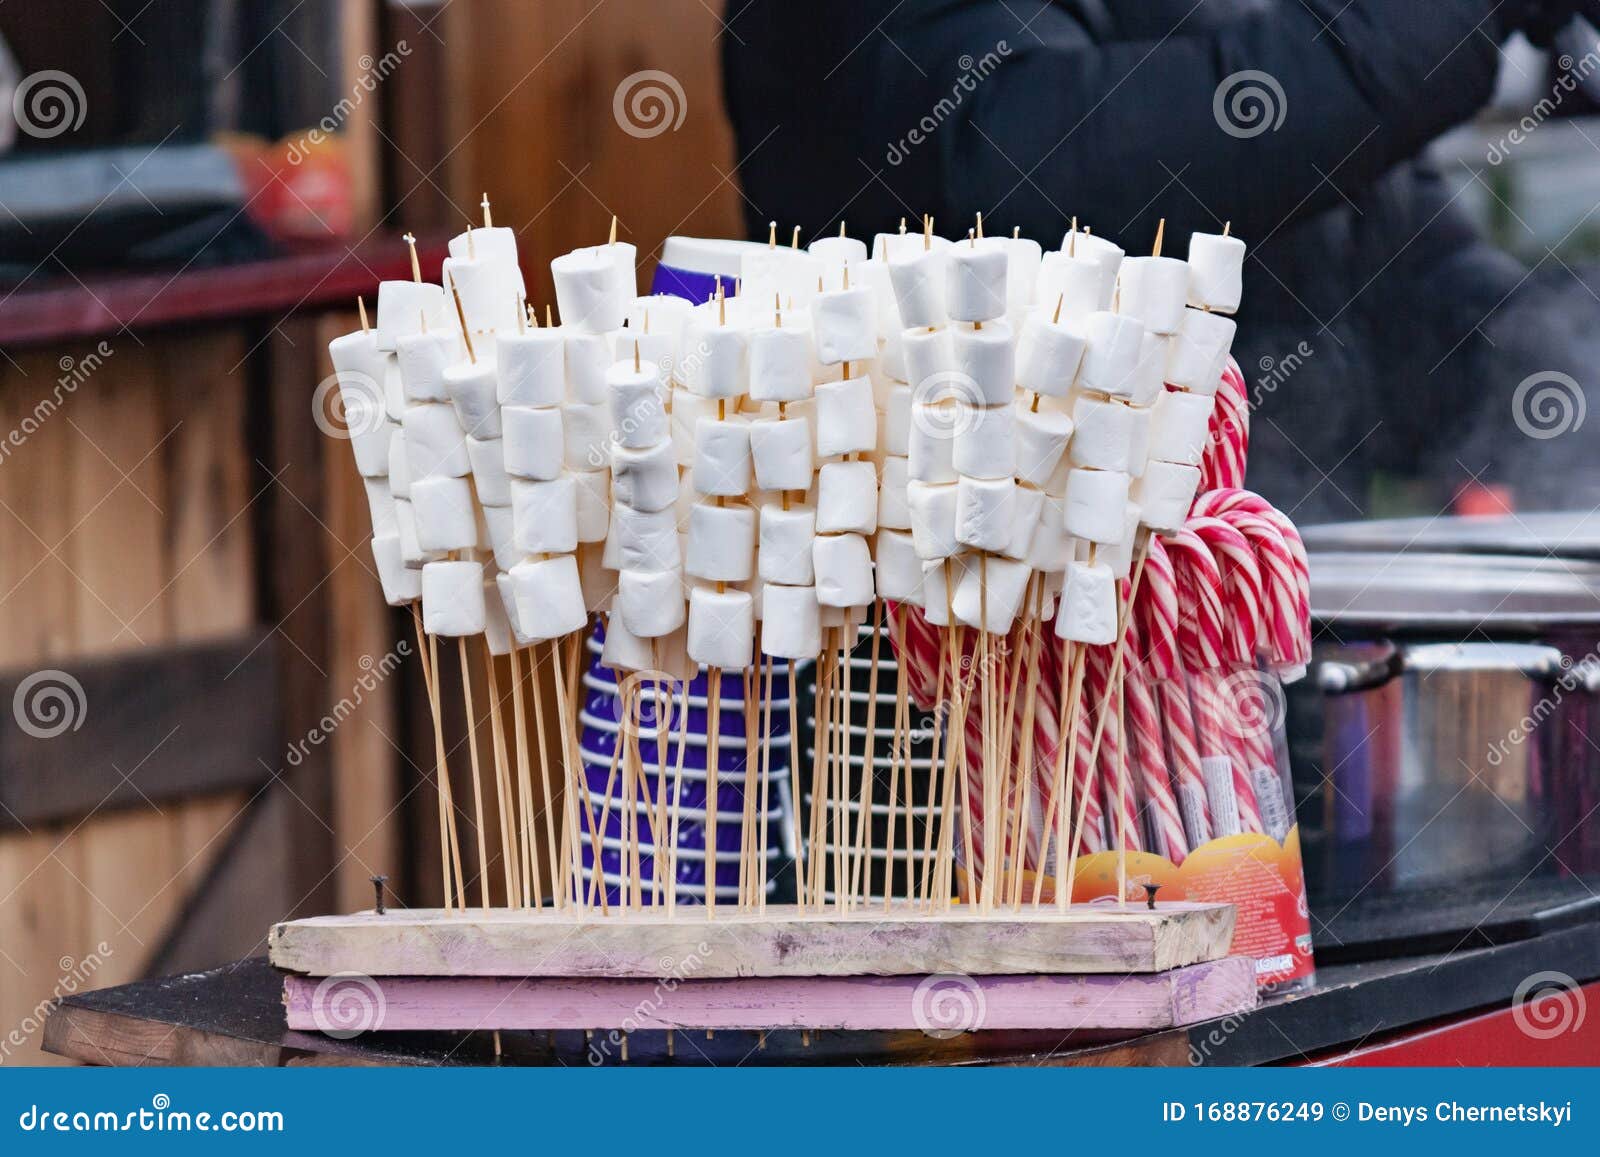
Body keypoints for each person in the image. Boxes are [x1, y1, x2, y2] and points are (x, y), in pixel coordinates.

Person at [722, 1, 1600, 521]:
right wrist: (1421, 28)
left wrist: (1558, 375)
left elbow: (1391, 281)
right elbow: (1011, 170)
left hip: (1247, 672)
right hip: (956, 700)